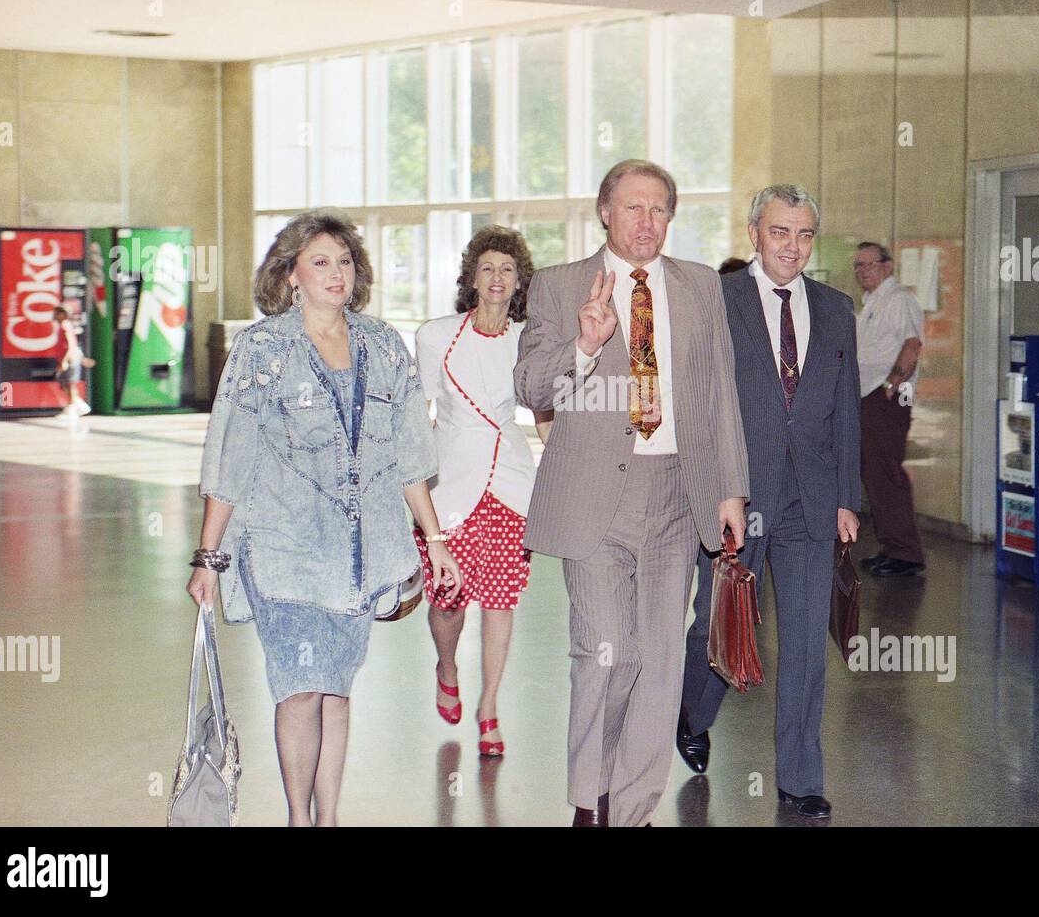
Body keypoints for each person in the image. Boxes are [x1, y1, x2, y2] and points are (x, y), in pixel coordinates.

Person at [187, 208, 461, 826]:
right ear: (290, 276)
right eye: (320, 262)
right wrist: (209, 557)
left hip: (359, 555)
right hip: (282, 550)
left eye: (344, 261)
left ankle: (329, 818)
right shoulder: (262, 349)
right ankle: (296, 817)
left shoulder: (382, 344)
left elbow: (409, 456)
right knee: (300, 685)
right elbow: (229, 457)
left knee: (336, 688)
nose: (336, 273)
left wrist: (434, 537)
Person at [514, 159, 749, 827]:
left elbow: (720, 393)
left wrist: (731, 490)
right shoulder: (561, 287)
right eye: (633, 208)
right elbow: (533, 388)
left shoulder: (701, 287)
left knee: (659, 657)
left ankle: (635, 809)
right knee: (605, 653)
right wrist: (584, 347)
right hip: (595, 498)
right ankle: (591, 799)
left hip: (679, 492)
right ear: (605, 213)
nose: (647, 222)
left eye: (659, 210)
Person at [676, 185, 861, 819]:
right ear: (754, 232)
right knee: (721, 627)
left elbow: (845, 413)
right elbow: (697, 403)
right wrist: (707, 485)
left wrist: (847, 498)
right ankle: (693, 711)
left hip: (811, 500)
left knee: (808, 643)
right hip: (738, 493)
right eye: (780, 231)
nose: (792, 246)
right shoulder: (717, 302)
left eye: (804, 234)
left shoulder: (836, 309)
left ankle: (801, 778)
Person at [413, 226, 552, 758]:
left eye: (508, 269)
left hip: (511, 483)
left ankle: (489, 705)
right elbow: (417, 417)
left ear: (520, 282)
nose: (497, 278)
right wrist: (412, 489)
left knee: (500, 600)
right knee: (447, 602)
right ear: (472, 276)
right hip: (448, 482)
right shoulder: (436, 335)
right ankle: (447, 665)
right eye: (488, 267)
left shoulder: (527, 339)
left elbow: (544, 416)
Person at [853, 242, 926, 576]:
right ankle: (892, 546)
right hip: (870, 396)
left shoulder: (899, 300)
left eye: (868, 264)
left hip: (887, 398)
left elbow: (912, 347)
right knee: (875, 473)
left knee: (886, 472)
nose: (861, 271)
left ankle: (905, 552)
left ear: (888, 265)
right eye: (858, 266)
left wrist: (890, 386)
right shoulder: (871, 304)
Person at [53, 305, 95, 424]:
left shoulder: (65, 326)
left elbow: (70, 345)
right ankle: (79, 406)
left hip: (70, 360)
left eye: (56, 313)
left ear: (62, 314)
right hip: (71, 359)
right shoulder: (66, 325)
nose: (54, 316)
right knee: (65, 384)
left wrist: (64, 361)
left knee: (70, 384)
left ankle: (73, 409)